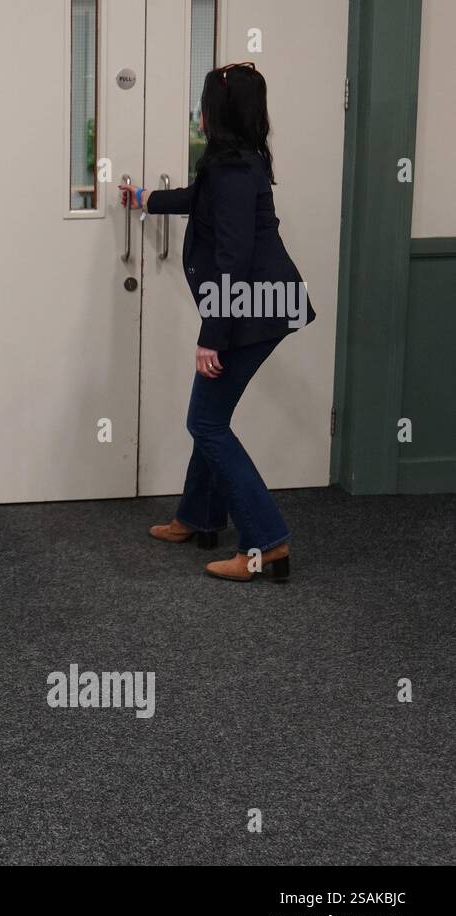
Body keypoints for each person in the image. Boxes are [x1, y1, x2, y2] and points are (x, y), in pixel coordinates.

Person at [119, 62, 314, 583]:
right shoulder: (235, 163)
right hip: (261, 305)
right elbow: (197, 201)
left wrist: (211, 337)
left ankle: (265, 541)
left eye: (202, 103)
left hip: (252, 308)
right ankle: (199, 517)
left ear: (217, 112)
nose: (197, 113)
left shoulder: (231, 170)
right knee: (211, 417)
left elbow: (234, 258)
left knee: (204, 422)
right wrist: (144, 200)